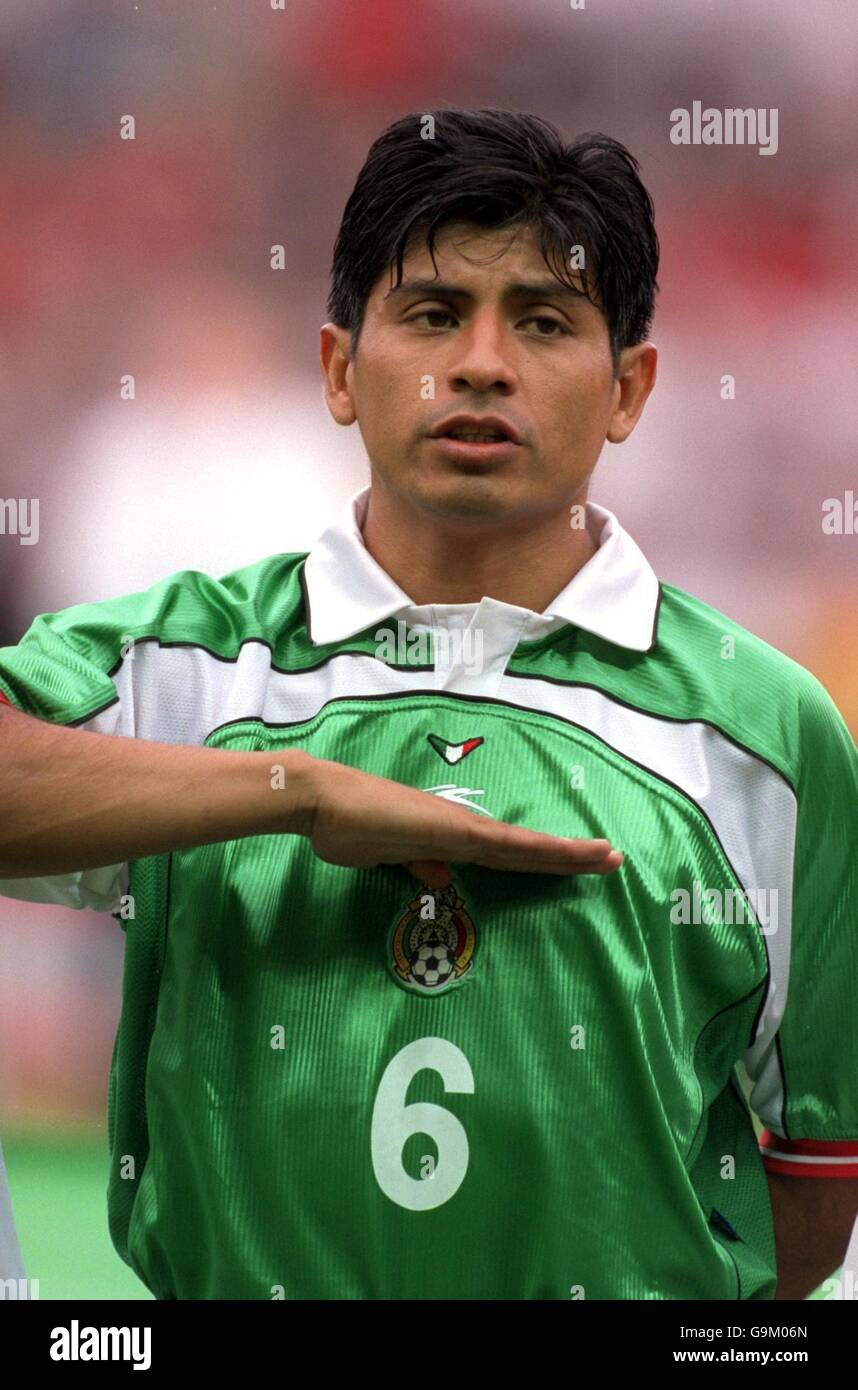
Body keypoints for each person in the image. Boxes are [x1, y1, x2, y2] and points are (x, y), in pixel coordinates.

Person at [1, 108, 856, 1301]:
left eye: (545, 321)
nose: (483, 363)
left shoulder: (773, 731)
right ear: (342, 371)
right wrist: (297, 794)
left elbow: (816, 1174)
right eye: (434, 313)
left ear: (630, 388)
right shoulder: (179, 666)